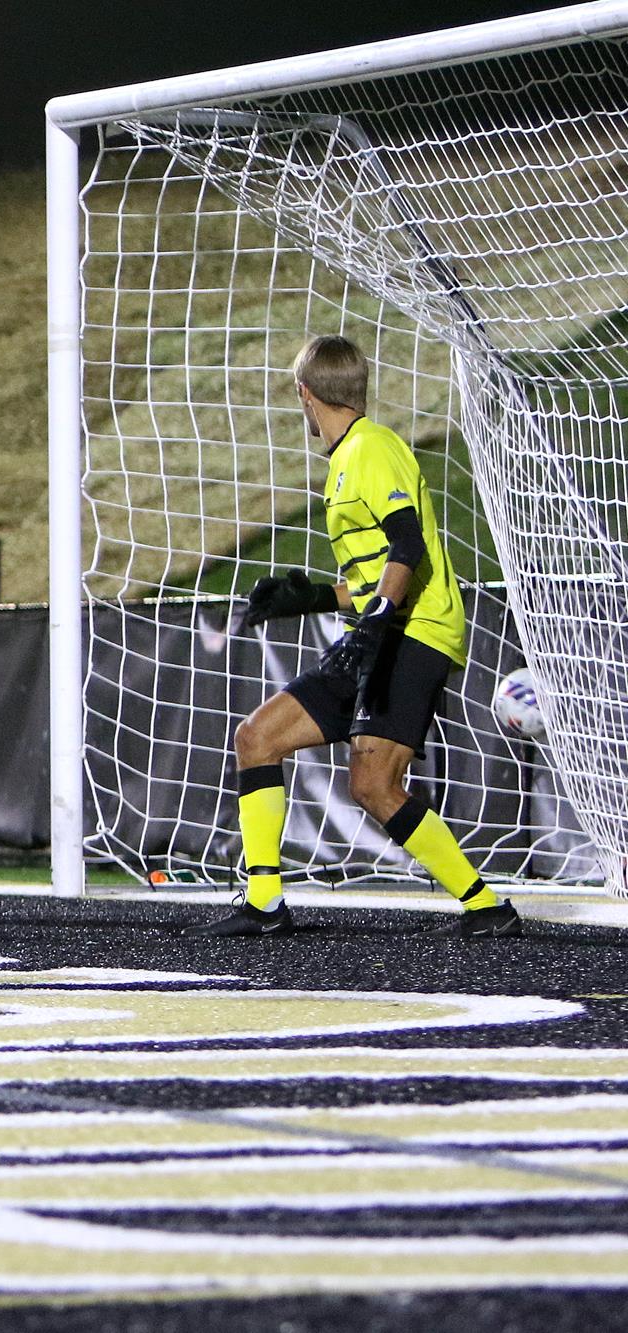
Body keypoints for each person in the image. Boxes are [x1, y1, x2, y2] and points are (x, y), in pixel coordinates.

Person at [191, 334, 520, 939]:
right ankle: (264, 902)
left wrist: (375, 620)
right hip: (380, 631)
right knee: (257, 738)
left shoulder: (372, 449)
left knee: (373, 785)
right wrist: (313, 598)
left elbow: (409, 545)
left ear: (305, 393)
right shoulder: (347, 460)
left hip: (413, 633)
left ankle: (486, 907)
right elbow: (374, 577)